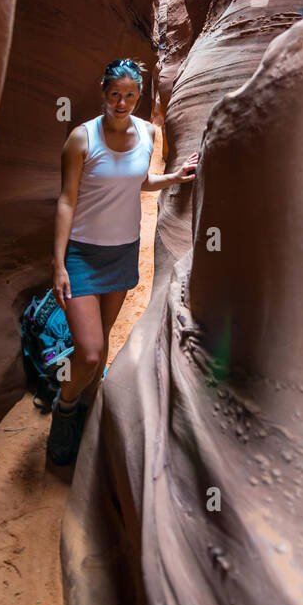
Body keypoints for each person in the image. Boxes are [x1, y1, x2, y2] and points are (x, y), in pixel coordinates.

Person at [46, 58, 198, 464]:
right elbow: (66, 200)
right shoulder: (82, 138)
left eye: (131, 95)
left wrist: (173, 178)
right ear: (103, 91)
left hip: (122, 251)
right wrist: (59, 263)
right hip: (81, 253)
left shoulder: (148, 133)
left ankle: (87, 410)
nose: (122, 102)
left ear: (140, 95)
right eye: (115, 94)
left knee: (103, 339)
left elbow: (139, 181)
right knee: (92, 351)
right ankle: (64, 411)